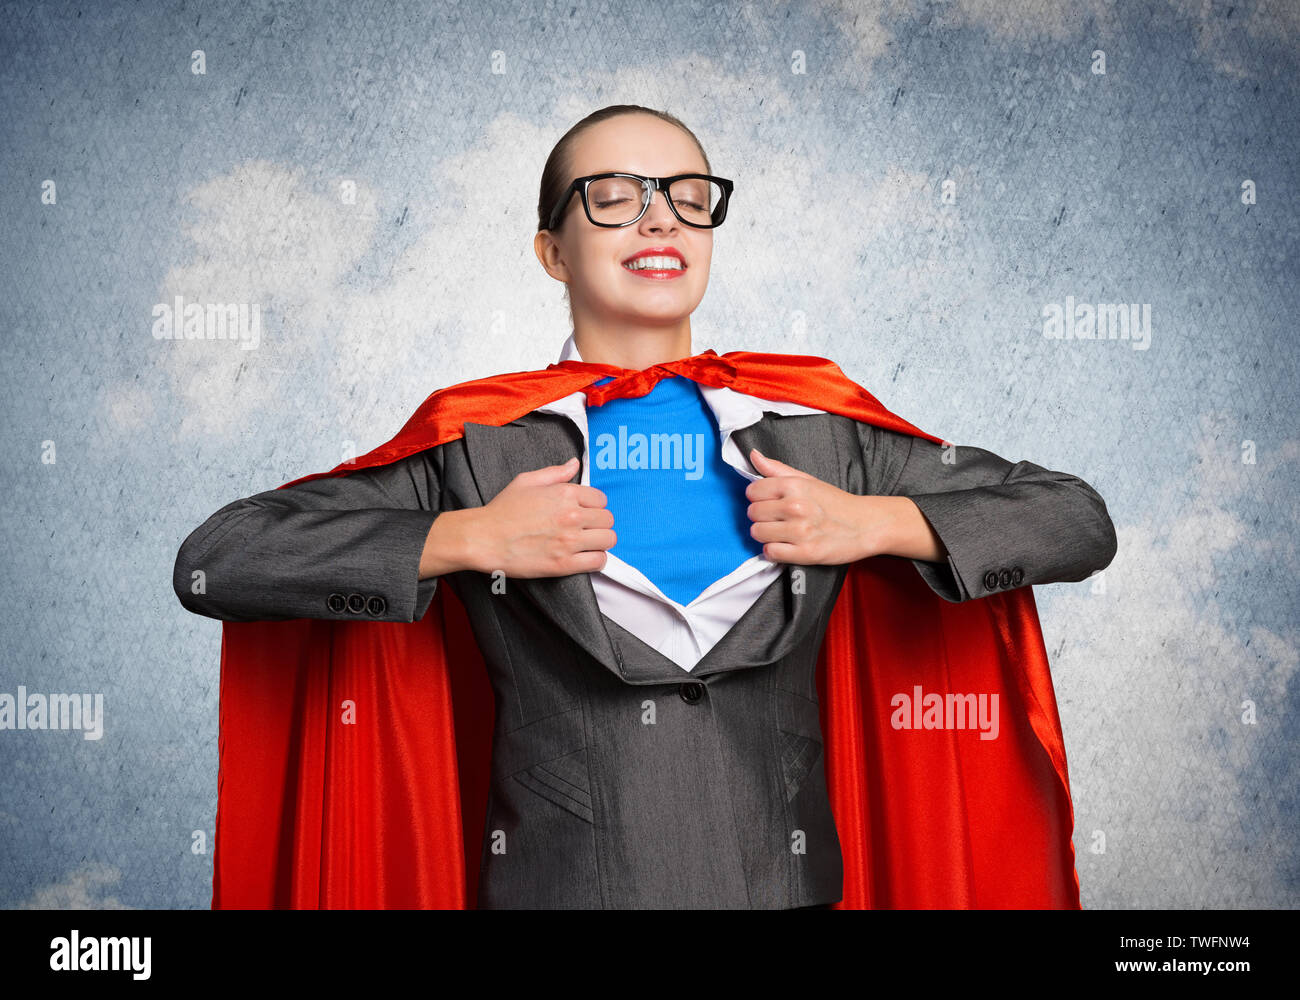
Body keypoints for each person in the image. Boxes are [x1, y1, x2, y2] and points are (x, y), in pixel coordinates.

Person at [174, 105, 1117, 909]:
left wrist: (875, 523)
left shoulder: (824, 432)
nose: (658, 221)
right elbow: (221, 558)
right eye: (615, 199)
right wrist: (467, 538)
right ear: (553, 250)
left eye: (688, 199)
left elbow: (1075, 518)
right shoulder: (477, 444)